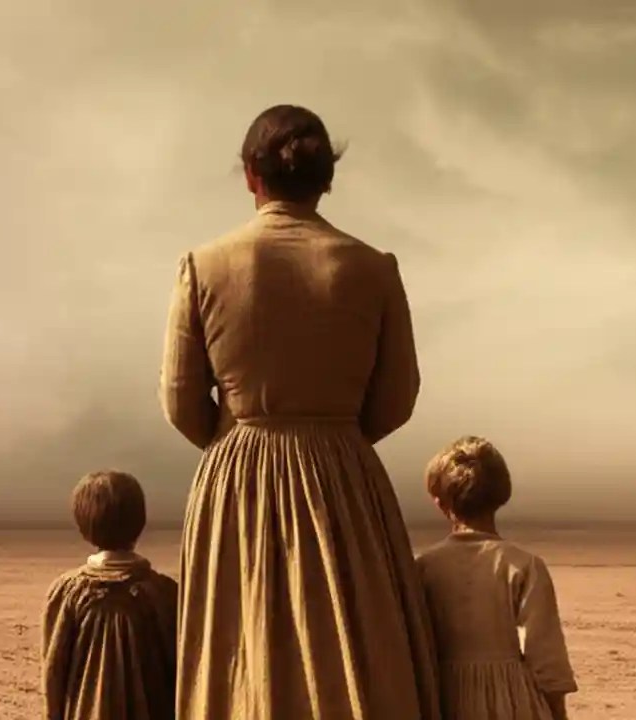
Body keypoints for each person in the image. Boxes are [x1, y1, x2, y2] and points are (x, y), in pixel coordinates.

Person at [160, 104, 441, 719]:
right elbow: (398, 396)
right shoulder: (372, 267)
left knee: (242, 647)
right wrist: (335, 435)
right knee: (354, 646)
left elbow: (181, 401)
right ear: (325, 179)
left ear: (250, 176)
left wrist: (238, 436)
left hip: (239, 475)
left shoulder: (203, 266)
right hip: (343, 473)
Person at [415, 436, 578, 720]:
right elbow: (545, 654)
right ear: (502, 494)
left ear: (439, 503)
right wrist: (557, 713)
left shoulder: (423, 567)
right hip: (513, 701)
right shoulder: (523, 565)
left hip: (443, 699)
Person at [41, 470, 178, 720]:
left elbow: (54, 672)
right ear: (140, 521)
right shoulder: (165, 592)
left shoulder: (67, 592)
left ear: (83, 525)